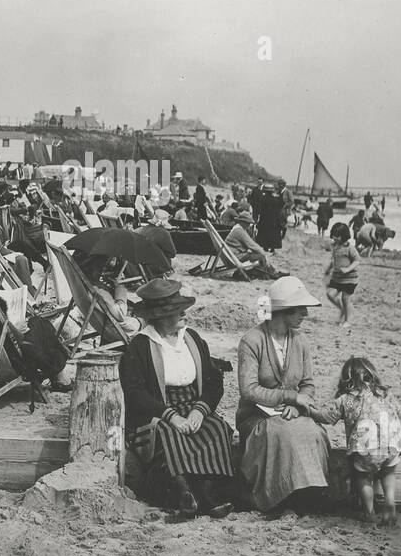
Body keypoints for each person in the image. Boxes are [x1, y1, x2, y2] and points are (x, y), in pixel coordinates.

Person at [118, 278, 234, 521]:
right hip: (156, 414)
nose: (184, 313)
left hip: (193, 408)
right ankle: (183, 492)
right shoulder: (141, 346)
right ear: (159, 316)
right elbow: (135, 393)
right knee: (171, 434)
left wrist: (200, 411)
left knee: (216, 428)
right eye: (175, 310)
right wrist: (171, 416)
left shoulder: (192, 339)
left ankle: (204, 492)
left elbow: (214, 380)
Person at [237, 276, 335, 514]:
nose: (305, 314)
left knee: (314, 431)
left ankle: (309, 492)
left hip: (290, 413)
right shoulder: (252, 341)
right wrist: (289, 398)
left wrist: (298, 406)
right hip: (256, 417)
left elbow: (308, 385)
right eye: (300, 309)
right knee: (282, 433)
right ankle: (279, 498)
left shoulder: (300, 341)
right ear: (283, 310)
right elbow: (248, 390)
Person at [330, 357, 401, 526]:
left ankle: (369, 512)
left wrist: (311, 411)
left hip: (365, 449)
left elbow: (328, 417)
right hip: (390, 445)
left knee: (362, 477)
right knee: (388, 472)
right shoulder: (385, 393)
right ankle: (390, 502)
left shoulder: (346, 399)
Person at [324, 221, 359, 324]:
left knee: (345, 299)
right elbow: (335, 259)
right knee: (330, 294)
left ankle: (347, 321)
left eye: (337, 236)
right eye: (333, 235)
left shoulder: (349, 248)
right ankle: (342, 310)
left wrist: (348, 269)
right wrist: (329, 269)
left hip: (350, 279)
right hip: (337, 277)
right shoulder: (335, 246)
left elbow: (357, 260)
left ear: (344, 236)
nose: (334, 238)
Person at [224, 210, 276, 277]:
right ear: (242, 222)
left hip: (233, 255)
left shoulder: (237, 228)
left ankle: (271, 272)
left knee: (258, 255)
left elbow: (250, 244)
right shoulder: (239, 231)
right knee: (261, 257)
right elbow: (252, 245)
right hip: (236, 256)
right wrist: (264, 254)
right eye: (248, 223)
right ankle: (271, 274)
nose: (249, 225)